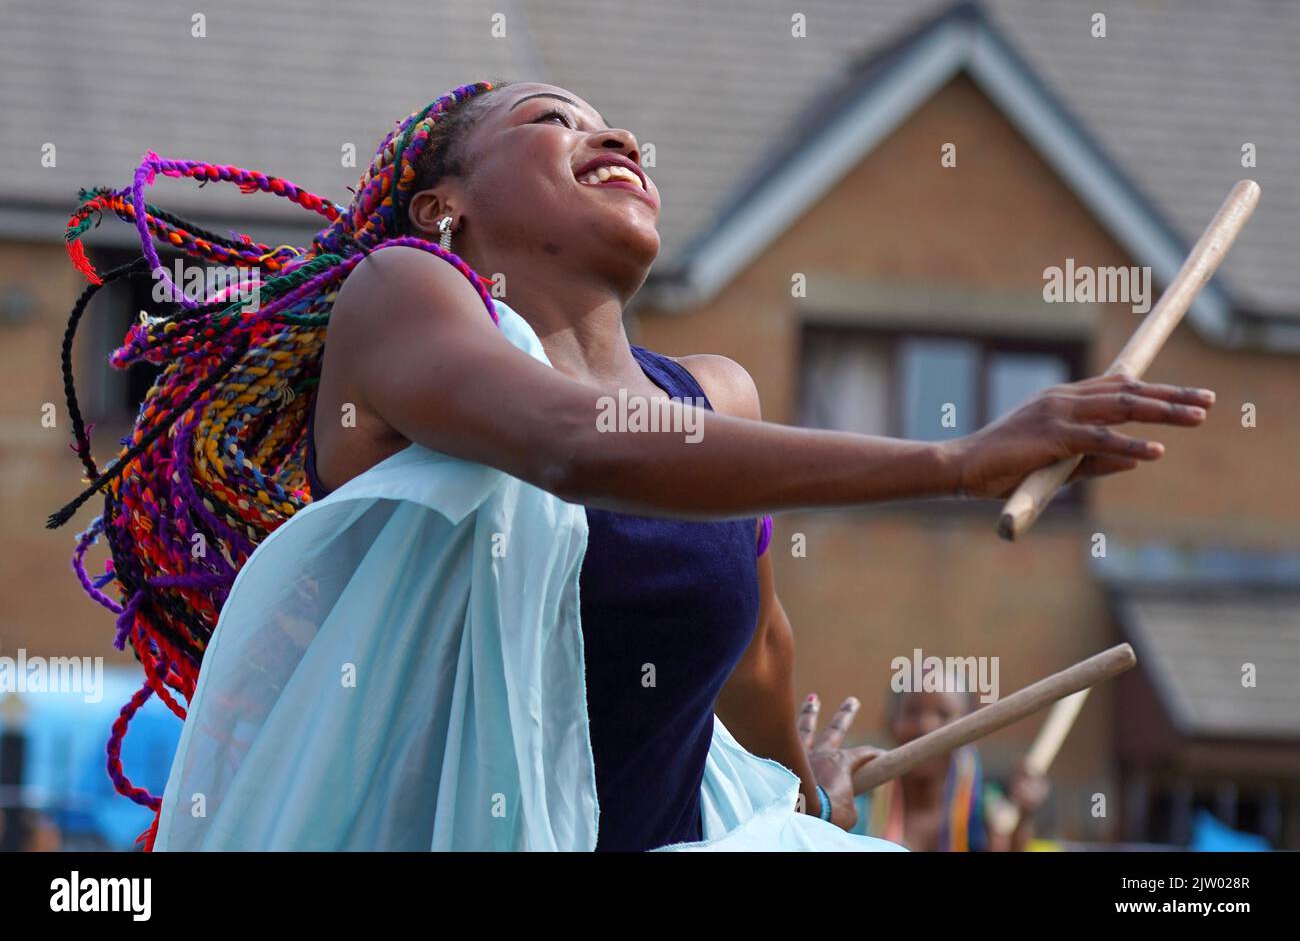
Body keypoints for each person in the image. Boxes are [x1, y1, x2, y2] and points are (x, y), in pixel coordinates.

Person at [52, 80, 1214, 851]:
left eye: (618, 128)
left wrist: (806, 786)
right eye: (552, 120)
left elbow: (754, 660)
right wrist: (954, 459)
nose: (613, 140)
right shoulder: (405, 297)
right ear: (440, 206)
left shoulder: (714, 399)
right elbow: (573, 446)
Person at [846, 688, 1050, 851]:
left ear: (973, 728)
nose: (926, 726)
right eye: (912, 712)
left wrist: (1024, 818)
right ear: (890, 723)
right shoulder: (855, 809)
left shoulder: (989, 813)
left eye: (943, 714)